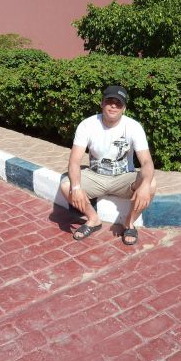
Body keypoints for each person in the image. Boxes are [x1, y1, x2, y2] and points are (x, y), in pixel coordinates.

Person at [60, 86, 157, 245]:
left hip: (124, 178)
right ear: (102, 103)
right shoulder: (87, 125)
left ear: (124, 108)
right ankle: (93, 219)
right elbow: (74, 161)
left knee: (151, 183)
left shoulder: (133, 127)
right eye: (109, 101)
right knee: (66, 185)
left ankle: (129, 223)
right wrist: (76, 187)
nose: (113, 106)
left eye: (118, 103)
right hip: (95, 176)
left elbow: (146, 161)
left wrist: (145, 184)